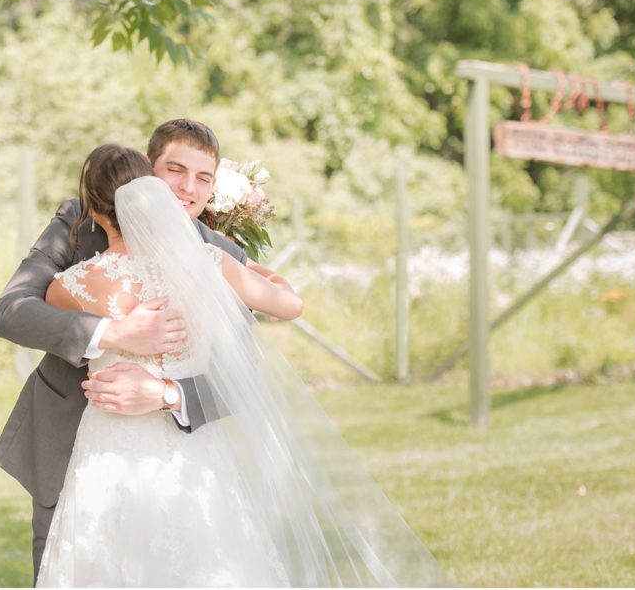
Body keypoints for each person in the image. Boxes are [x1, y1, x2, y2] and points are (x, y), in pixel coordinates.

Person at [35, 146, 451, 586]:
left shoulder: (70, 286)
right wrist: (247, 264)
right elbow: (290, 304)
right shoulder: (211, 265)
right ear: (155, 196)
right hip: (191, 452)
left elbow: (44, 316)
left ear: (96, 213)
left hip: (109, 447)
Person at [0, 119, 289, 582]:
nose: (188, 189)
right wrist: (112, 332)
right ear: (147, 170)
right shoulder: (78, 220)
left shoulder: (208, 247)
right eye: (175, 170)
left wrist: (168, 393)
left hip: (180, 455)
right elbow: (12, 310)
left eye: (204, 178)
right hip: (71, 448)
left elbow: (245, 370)